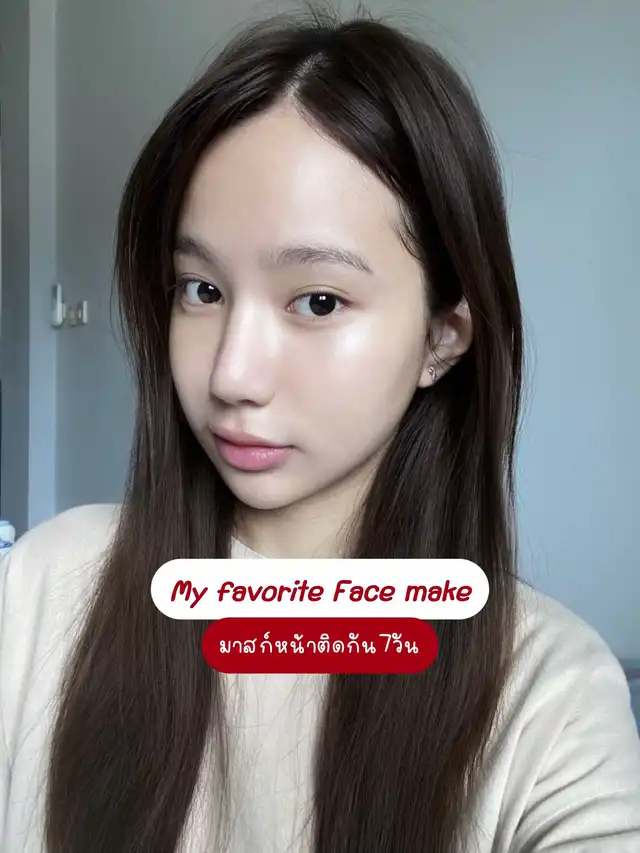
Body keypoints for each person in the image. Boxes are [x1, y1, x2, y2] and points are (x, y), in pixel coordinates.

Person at [1, 8, 639, 853]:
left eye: (318, 300)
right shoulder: (47, 586)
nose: (231, 375)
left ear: (441, 338)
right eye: (201, 289)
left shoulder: (546, 699)